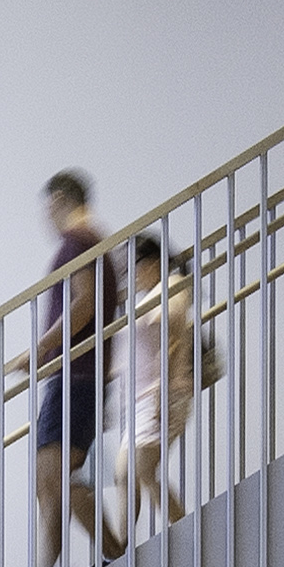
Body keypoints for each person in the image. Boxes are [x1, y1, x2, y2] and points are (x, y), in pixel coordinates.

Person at [10, 168, 114, 567]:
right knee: (57, 480)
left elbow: (84, 303)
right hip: (80, 373)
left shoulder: (79, 241)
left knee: (52, 477)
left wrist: (41, 349)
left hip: (75, 372)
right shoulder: (97, 242)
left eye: (47, 207)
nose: (46, 218)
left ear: (58, 200)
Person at [94, 230, 200, 546]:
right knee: (125, 474)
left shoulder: (171, 289)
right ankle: (122, 547)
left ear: (151, 263)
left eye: (132, 268)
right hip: (140, 399)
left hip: (163, 393)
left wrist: (161, 393)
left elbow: (173, 340)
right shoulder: (147, 297)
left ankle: (185, 532)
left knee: (142, 470)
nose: (130, 277)